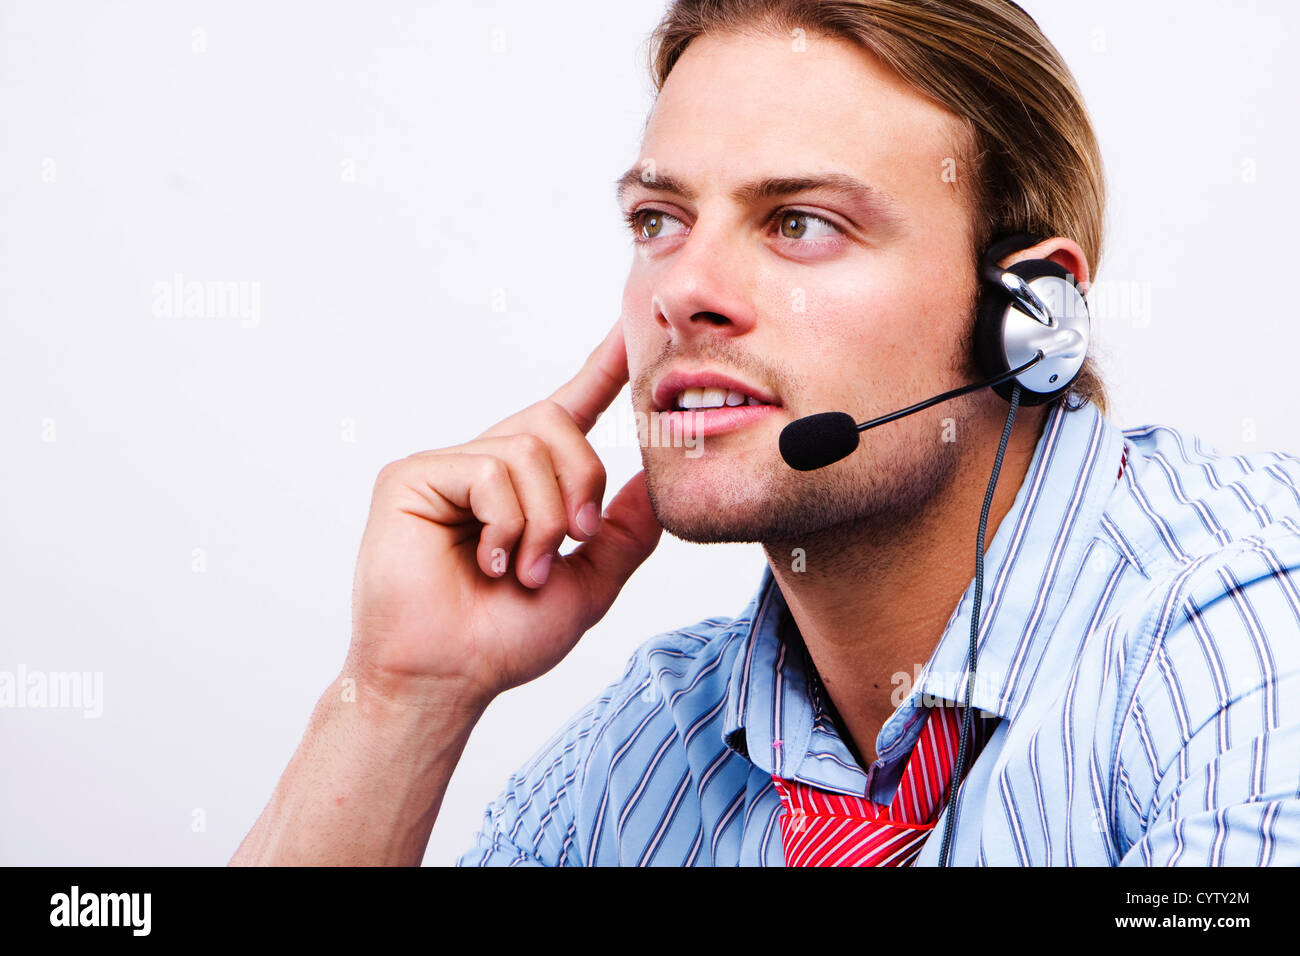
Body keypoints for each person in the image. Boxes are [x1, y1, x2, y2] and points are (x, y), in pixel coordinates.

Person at [231, 0, 1300, 866]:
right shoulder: (655, 742)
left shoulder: (1244, 629)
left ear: (1030, 316)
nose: (682, 292)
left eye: (799, 223)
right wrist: (399, 700)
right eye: (659, 222)